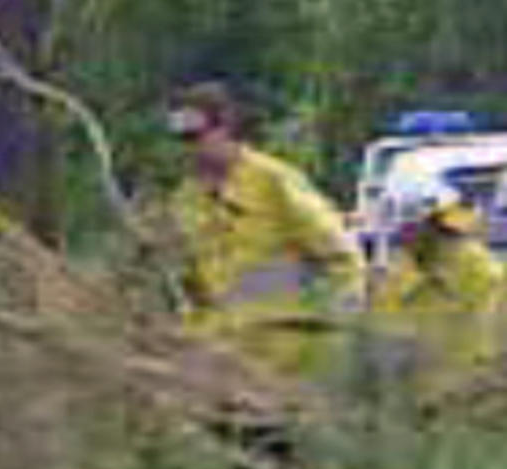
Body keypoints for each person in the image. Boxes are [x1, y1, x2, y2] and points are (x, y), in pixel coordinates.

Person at [162, 82, 366, 376]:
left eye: (196, 136)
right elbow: (192, 282)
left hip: (291, 352)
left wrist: (335, 333)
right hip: (225, 356)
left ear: (225, 128)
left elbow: (342, 256)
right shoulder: (186, 199)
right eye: (181, 140)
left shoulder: (274, 182)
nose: (191, 148)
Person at [371, 170, 503, 395]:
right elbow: (383, 336)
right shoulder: (402, 273)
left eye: (408, 227)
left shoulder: (484, 275)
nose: (401, 235)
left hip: (470, 397)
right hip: (417, 400)